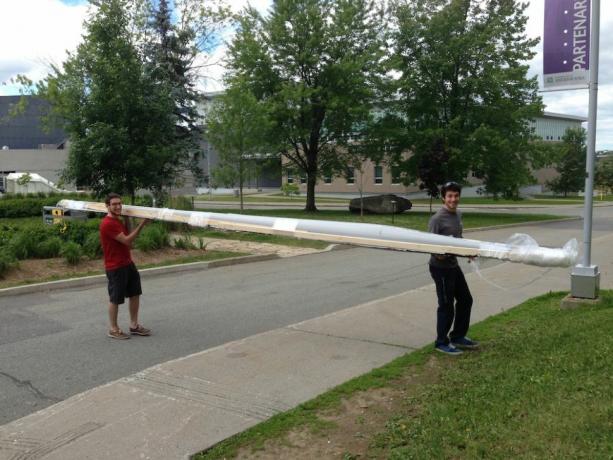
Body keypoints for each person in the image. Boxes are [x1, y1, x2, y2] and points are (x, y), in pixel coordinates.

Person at [428, 182, 478, 355]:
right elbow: (431, 245)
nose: (453, 199)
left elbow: (458, 238)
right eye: (449, 196)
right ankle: (441, 342)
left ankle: (457, 336)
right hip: (440, 268)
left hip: (453, 266)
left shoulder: (458, 214)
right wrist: (441, 254)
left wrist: (467, 252)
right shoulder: (437, 219)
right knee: (446, 305)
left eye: (456, 195)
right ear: (443, 197)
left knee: (466, 300)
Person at [100, 193, 151, 340]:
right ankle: (113, 329)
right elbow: (128, 241)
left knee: (135, 293)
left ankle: (134, 326)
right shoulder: (108, 223)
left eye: (119, 203)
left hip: (127, 263)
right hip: (115, 267)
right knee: (115, 298)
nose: (118, 206)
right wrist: (142, 224)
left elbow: (127, 233)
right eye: (114, 204)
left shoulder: (117, 220)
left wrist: (128, 218)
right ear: (107, 206)